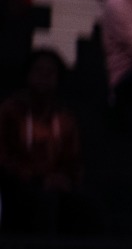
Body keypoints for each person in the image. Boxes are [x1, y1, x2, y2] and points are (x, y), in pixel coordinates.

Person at [0, 51, 87, 234]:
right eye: (38, 70)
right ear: (28, 74)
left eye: (50, 72)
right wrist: (35, 178)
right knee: (43, 201)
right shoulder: (9, 111)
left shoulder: (65, 118)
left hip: (56, 184)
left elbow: (73, 159)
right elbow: (4, 155)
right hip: (18, 183)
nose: (44, 77)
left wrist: (66, 179)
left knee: (88, 204)